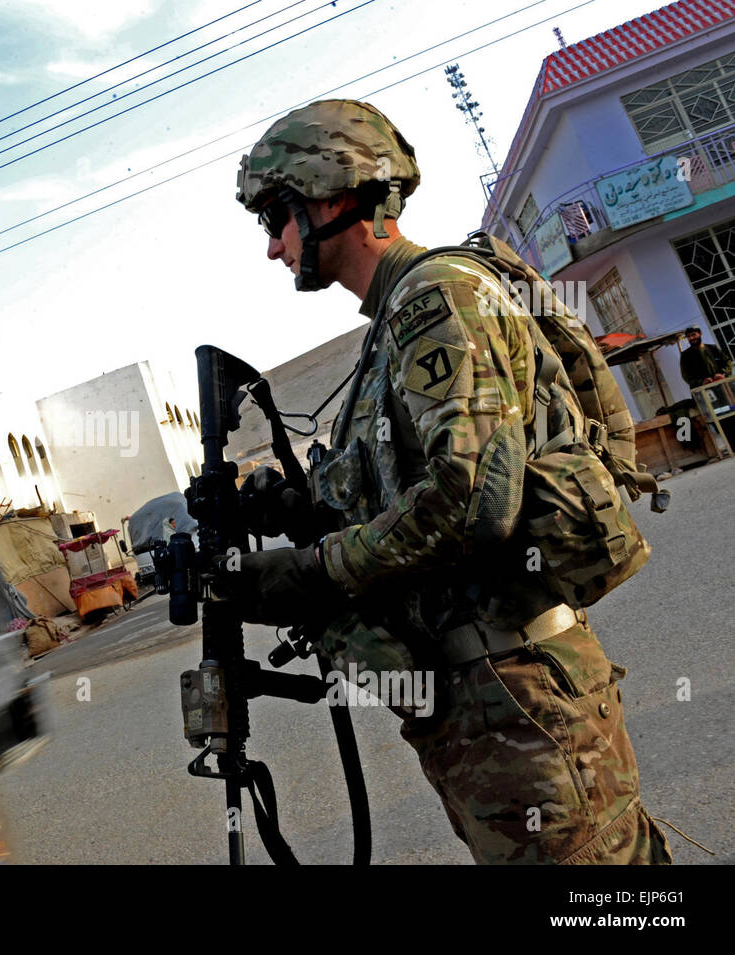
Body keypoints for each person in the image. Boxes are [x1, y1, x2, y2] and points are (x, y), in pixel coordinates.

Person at [227, 99, 672, 864]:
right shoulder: (398, 324)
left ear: (331, 196)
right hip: (485, 706)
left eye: (278, 217)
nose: (273, 248)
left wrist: (314, 570)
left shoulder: (438, 301)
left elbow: (469, 503)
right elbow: (417, 490)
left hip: (519, 701)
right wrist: (306, 512)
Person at [679, 324, 731, 390]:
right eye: (688, 336)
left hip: (724, 385)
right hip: (704, 391)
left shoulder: (713, 348)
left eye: (693, 334)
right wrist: (701, 382)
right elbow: (686, 376)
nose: (691, 338)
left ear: (700, 334)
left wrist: (723, 374)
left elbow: (728, 362)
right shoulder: (685, 355)